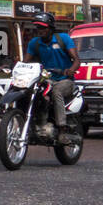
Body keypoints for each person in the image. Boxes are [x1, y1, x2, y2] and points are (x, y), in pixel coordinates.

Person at [25, 12, 81, 140]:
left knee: (56, 92)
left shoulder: (64, 39)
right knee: (33, 92)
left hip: (65, 80)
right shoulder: (35, 43)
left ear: (50, 28)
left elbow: (77, 60)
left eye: (43, 27)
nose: (40, 30)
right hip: (46, 79)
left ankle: (62, 129)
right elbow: (25, 62)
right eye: (38, 28)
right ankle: (37, 123)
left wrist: (70, 70)